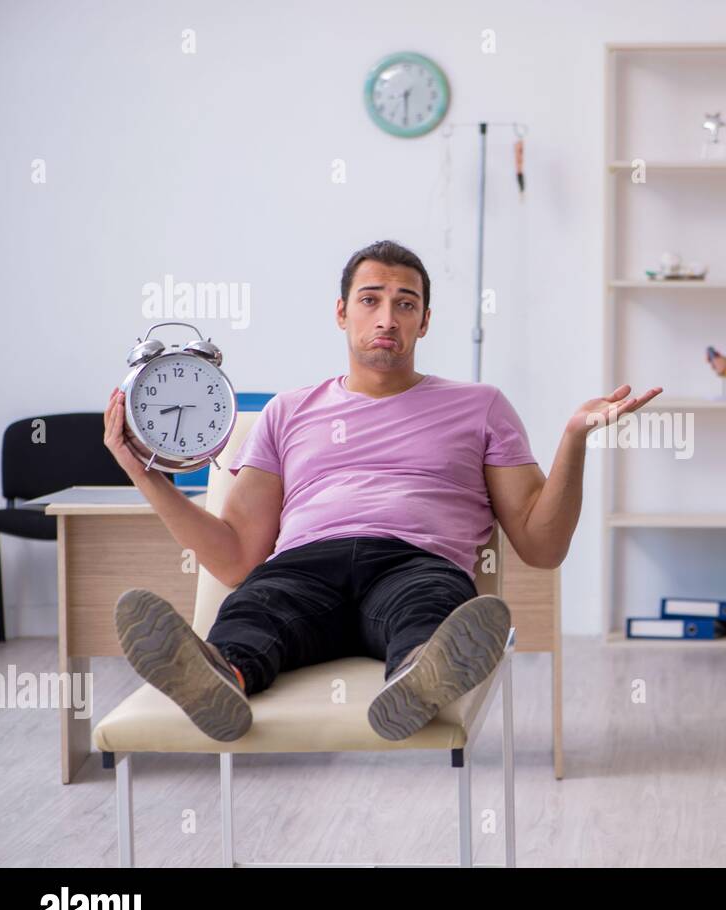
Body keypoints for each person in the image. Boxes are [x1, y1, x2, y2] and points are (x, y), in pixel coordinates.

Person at [103, 239, 661, 741]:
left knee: (431, 609)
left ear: (424, 322)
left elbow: (543, 548)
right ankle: (220, 676)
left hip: (415, 563)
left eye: (406, 303)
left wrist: (574, 440)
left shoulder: (481, 406)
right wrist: (144, 474)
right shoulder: (286, 412)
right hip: (303, 568)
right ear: (342, 312)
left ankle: (422, 676)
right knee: (254, 610)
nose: (387, 317)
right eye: (370, 300)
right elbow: (235, 559)